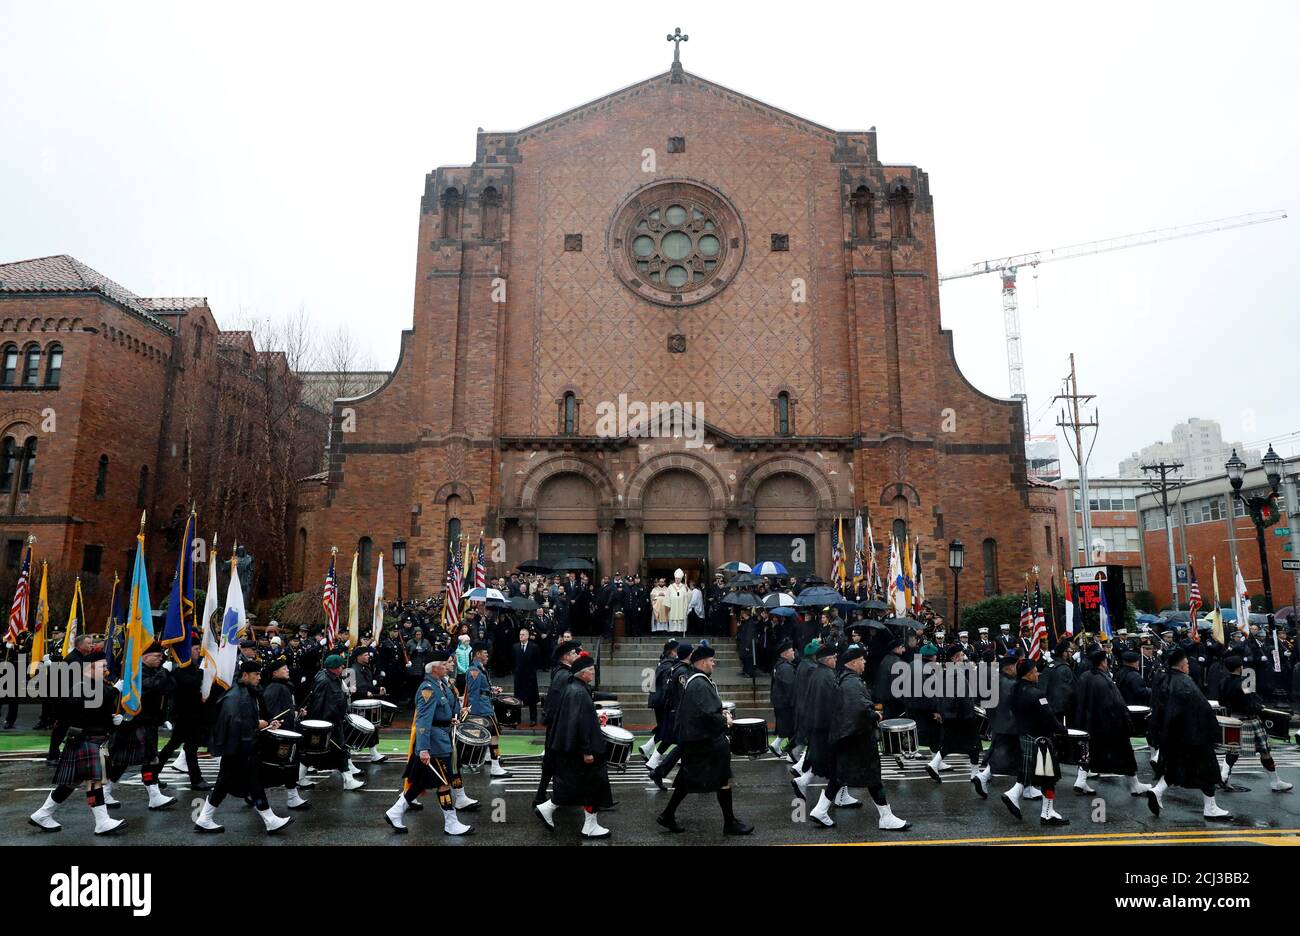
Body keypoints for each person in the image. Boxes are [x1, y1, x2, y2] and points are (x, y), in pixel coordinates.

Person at [655, 644, 753, 835]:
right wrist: (725, 719)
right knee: (723, 778)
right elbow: (705, 716)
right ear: (701, 662)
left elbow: (701, 710)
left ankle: (667, 815)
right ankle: (730, 823)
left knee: (686, 779)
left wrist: (719, 712)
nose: (714, 663)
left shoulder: (696, 680)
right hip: (705, 741)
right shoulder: (700, 684)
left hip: (694, 739)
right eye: (711, 660)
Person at [29, 652, 127, 835]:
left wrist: (111, 719)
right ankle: (102, 821)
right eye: (102, 666)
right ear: (89, 667)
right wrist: (115, 691)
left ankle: (43, 814)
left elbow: (94, 712)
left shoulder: (94, 684)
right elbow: (88, 705)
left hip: (91, 737)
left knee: (71, 782)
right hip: (86, 738)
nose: (106, 670)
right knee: (94, 781)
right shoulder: (81, 685)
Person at [194, 659, 292, 834]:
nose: (259, 678)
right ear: (245, 675)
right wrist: (258, 725)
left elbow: (249, 720)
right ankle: (270, 820)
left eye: (260, 674)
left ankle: (204, 818)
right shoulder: (236, 696)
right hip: (239, 748)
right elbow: (236, 722)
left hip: (239, 747)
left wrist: (268, 723)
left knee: (224, 785)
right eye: (256, 674)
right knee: (253, 784)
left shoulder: (246, 692)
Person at [384, 652, 475, 835]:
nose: (448, 665)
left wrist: (451, 720)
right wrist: (424, 749)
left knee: (419, 783)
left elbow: (445, 710)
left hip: (442, 739)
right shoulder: (428, 689)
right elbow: (423, 723)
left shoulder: (441, 685)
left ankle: (395, 812)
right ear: (434, 668)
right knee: (444, 783)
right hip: (434, 745)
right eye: (444, 663)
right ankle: (451, 823)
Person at [1145, 647, 1234, 819]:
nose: (1188, 666)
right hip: (1193, 737)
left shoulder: (1163, 680)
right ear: (1180, 665)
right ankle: (1211, 808)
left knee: (1174, 768)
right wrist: (1214, 733)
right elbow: (1203, 710)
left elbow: (1158, 710)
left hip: (1171, 737)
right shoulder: (1186, 683)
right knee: (1208, 771)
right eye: (1186, 663)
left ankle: (1157, 791)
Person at [829, 644, 909, 830]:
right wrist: (875, 715)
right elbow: (859, 709)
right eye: (862, 659)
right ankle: (886, 817)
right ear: (853, 662)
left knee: (840, 776)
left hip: (850, 736)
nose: (865, 662)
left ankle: (820, 810)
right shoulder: (852, 682)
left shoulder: (847, 679)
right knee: (873, 778)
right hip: (860, 737)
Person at [534, 653, 613, 837]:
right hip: (583, 750)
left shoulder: (573, 688)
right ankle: (589, 826)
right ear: (582, 673)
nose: (593, 673)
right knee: (594, 785)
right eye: (591, 670)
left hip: (571, 749)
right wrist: (587, 751)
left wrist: (595, 718)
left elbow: (579, 719)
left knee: (575, 785)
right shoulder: (579, 692)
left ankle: (548, 808)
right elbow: (580, 724)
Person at [1071, 647, 1152, 797]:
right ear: (1102, 663)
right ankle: (1134, 785)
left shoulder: (1084, 677)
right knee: (1126, 754)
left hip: (1088, 724)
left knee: (1088, 753)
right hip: (1108, 726)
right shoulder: (1104, 680)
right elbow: (1116, 705)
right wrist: (1126, 723)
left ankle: (1080, 780)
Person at [1001, 658, 1070, 826]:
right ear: (1028, 674)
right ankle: (1047, 813)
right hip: (1041, 740)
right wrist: (1063, 730)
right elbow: (1049, 718)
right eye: (1035, 671)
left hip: (1024, 735)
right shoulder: (1037, 694)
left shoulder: (1014, 690)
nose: (1037, 673)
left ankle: (1015, 794)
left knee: (1031, 775)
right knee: (1049, 778)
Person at [1218, 654, 1293, 792]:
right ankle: (1275, 782)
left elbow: (1222, 702)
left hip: (1233, 719)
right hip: (1249, 719)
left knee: (1233, 750)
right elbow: (1251, 704)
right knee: (1265, 751)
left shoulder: (1223, 682)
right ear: (1240, 668)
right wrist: (1260, 707)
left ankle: (1223, 777)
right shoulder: (1245, 682)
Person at [304, 654, 366, 790]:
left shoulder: (333, 678)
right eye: (340, 666)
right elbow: (318, 704)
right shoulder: (325, 681)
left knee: (316, 753)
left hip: (333, 721)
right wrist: (323, 725)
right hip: (328, 722)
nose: (343, 667)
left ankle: (300, 778)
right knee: (338, 750)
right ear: (333, 668)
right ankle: (348, 780)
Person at [926, 644, 983, 787]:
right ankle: (975, 774)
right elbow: (962, 697)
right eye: (962, 655)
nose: (964, 658)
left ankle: (933, 764)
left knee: (949, 744)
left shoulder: (945, 672)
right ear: (955, 658)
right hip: (962, 716)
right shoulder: (956, 673)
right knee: (974, 744)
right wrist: (970, 712)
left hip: (950, 715)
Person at [534, 639, 582, 804]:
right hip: (559, 727)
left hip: (557, 726)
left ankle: (543, 795)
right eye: (575, 653)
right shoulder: (565, 675)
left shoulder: (562, 673)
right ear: (567, 656)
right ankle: (553, 798)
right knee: (558, 762)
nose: (577, 655)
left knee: (553, 761)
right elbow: (557, 702)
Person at [261, 656, 311, 812]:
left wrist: (296, 712)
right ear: (275, 673)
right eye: (284, 668)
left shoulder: (283, 686)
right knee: (279, 766)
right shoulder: (275, 688)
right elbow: (269, 709)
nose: (288, 670)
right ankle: (255, 792)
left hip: (288, 732)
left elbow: (285, 708)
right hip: (280, 734)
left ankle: (293, 797)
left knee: (289, 765)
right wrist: (273, 723)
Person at [972, 654, 1022, 799]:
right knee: (1018, 756)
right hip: (1009, 725)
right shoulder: (1010, 684)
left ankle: (983, 776)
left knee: (1000, 752)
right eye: (1015, 666)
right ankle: (1024, 788)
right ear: (1010, 667)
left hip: (998, 723)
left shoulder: (996, 680)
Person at [646, 642, 694, 788]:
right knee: (684, 745)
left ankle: (659, 771)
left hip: (673, 712)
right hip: (678, 714)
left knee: (682, 745)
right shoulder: (682, 672)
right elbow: (682, 696)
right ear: (689, 654)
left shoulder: (676, 667)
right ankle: (661, 772)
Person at [463, 641, 511, 777]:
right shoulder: (474, 671)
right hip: (482, 709)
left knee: (492, 736)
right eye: (485, 653)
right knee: (494, 736)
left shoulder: (480, 669)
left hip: (486, 705)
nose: (487, 655)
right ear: (478, 654)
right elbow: (473, 694)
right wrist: (476, 714)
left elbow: (482, 689)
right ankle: (495, 767)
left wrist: (491, 690)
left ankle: (490, 757)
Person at [643, 639, 679, 760]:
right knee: (668, 730)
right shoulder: (669, 665)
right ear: (672, 652)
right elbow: (666, 686)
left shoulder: (663, 663)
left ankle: (647, 748)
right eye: (676, 651)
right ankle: (653, 757)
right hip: (662, 703)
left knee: (664, 728)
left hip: (658, 701)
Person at [770, 639, 798, 756]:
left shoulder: (780, 665)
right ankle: (792, 753)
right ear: (785, 653)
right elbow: (790, 687)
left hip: (781, 702)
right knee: (791, 728)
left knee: (786, 727)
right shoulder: (785, 667)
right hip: (786, 703)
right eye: (791, 651)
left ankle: (779, 746)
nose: (794, 653)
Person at [512, 627, 542, 725]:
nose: (521, 636)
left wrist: (532, 671)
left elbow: (537, 661)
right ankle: (517, 719)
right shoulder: (515, 647)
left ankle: (533, 719)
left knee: (532, 700)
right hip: (519, 677)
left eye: (523, 635)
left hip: (530, 677)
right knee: (518, 699)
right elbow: (513, 661)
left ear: (528, 636)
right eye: (520, 635)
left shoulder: (534, 647)